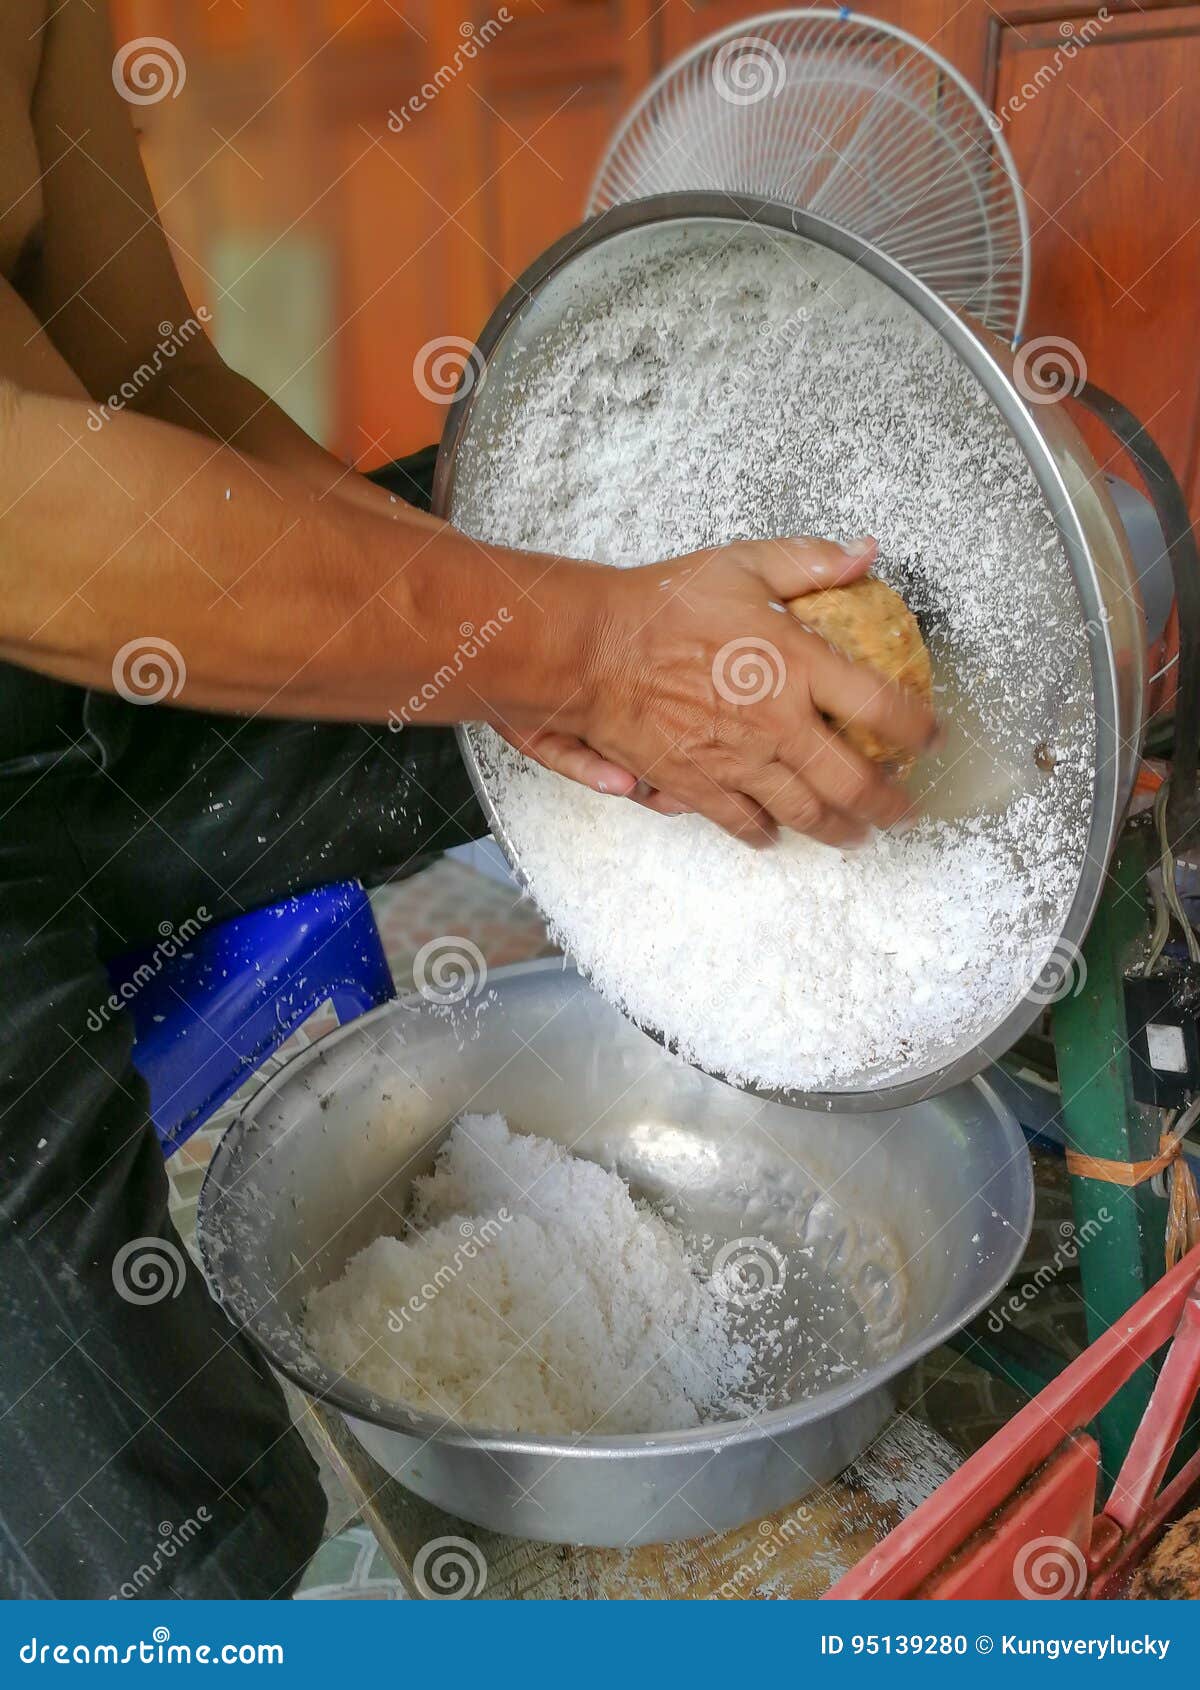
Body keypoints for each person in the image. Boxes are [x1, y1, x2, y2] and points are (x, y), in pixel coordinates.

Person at [0, 2, 938, 1599]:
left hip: (87, 653)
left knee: (647, 575)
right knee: (162, 1545)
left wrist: (556, 627)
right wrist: (580, 653)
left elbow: (141, 375)